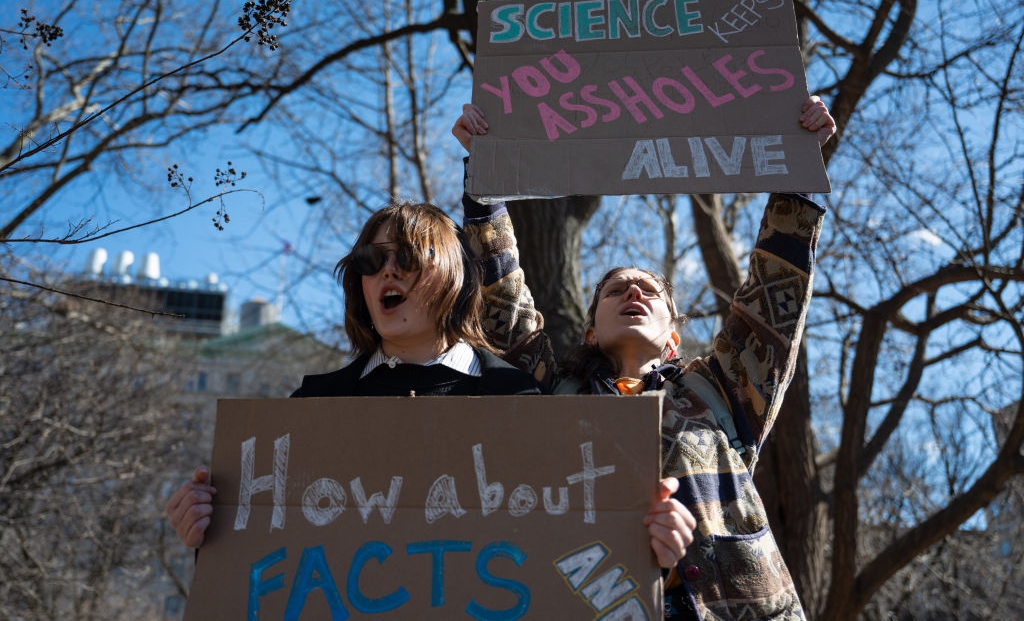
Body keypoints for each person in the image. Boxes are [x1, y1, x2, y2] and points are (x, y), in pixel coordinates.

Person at [453, 97, 836, 619]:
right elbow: (503, 300)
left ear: (674, 339)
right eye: (616, 290)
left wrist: (799, 163)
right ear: (589, 332)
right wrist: (486, 176)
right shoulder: (549, 393)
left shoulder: (723, 389)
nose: (633, 292)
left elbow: (775, 288)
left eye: (650, 290)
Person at [165, 201, 694, 572]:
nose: (388, 270)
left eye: (409, 257)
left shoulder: (524, 403)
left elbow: (572, 555)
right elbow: (262, 573)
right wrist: (207, 535)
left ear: (455, 276)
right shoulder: (311, 409)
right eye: (373, 261)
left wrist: (644, 545)